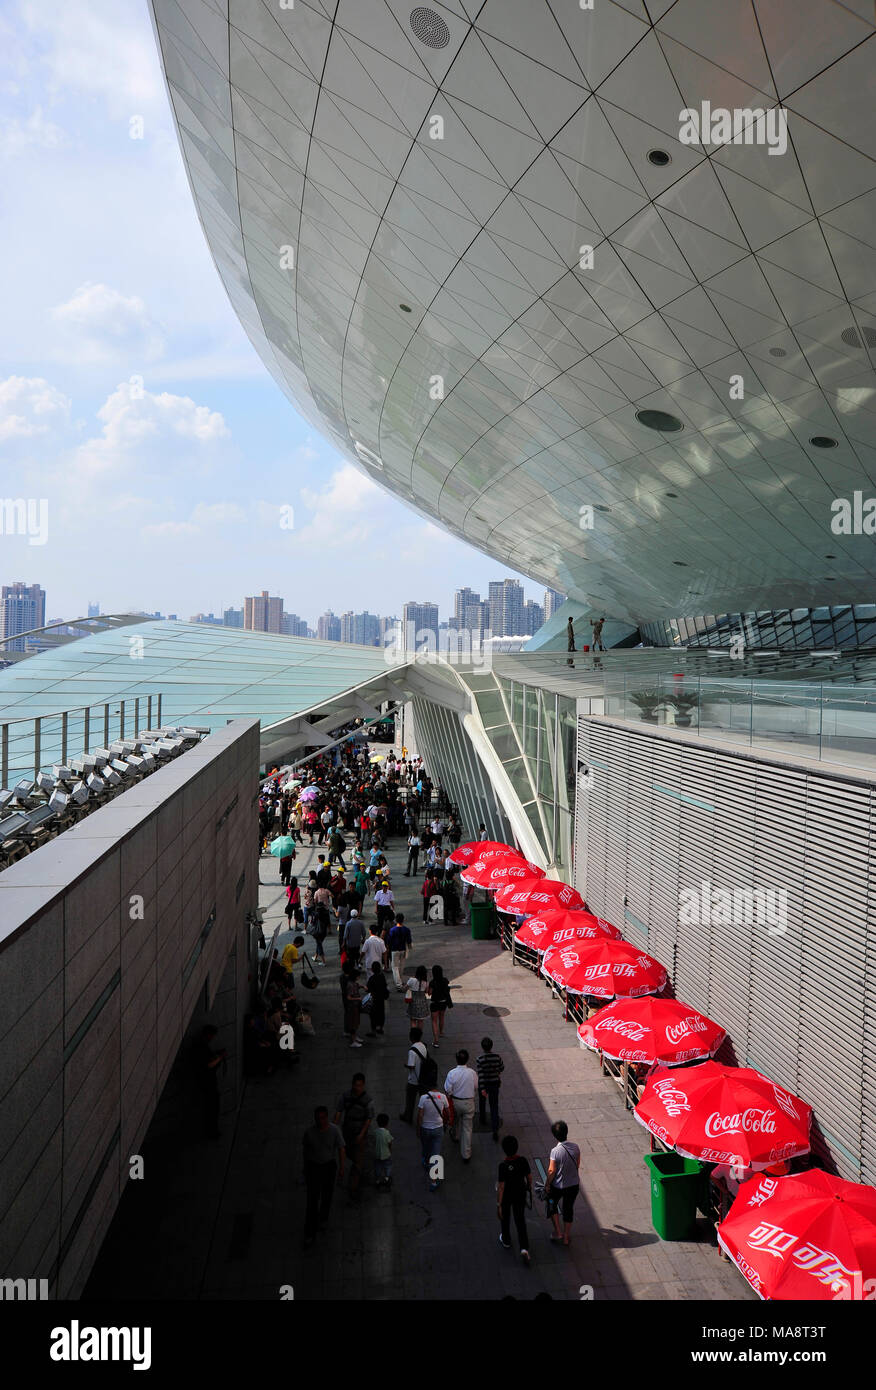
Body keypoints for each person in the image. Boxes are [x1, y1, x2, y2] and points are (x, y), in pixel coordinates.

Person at [302, 1106, 345, 1248]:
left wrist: (341, 1168)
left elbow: (341, 1148)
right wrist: (305, 1168)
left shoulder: (334, 1130)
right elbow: (306, 1150)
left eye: (322, 1118)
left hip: (328, 1167)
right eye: (317, 1118)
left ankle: (323, 1219)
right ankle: (310, 1232)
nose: (320, 1121)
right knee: (311, 1201)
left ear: (326, 1117)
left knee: (327, 1195)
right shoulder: (309, 1133)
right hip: (314, 1168)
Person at [333, 1073, 375, 1202]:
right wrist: (334, 1129)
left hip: (359, 1135)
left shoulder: (368, 1100)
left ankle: (353, 1187)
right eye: (356, 1085)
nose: (358, 1088)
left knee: (358, 1160)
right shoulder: (345, 1096)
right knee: (349, 1154)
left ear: (363, 1085)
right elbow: (339, 1112)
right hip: (346, 1132)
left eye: (360, 1085)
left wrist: (362, 1134)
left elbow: (368, 1119)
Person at [496, 1136, 532, 1264]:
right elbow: (529, 1177)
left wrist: (499, 1204)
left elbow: (501, 1186)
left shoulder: (502, 1166)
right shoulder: (522, 1161)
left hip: (507, 1196)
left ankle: (506, 1239)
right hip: (520, 1193)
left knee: (505, 1218)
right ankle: (524, 1248)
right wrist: (528, 1186)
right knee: (520, 1219)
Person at [546, 1120, 581, 1246]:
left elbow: (551, 1171)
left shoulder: (555, 1151)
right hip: (573, 1185)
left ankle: (558, 1232)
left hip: (558, 1186)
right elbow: (577, 1165)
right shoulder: (576, 1147)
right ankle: (566, 1237)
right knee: (568, 1209)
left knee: (551, 1204)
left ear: (555, 1136)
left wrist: (547, 1184)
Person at [444, 1048, 478, 1163]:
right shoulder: (472, 1073)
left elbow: (448, 1090)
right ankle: (466, 1154)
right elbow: (476, 1087)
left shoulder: (452, 1073)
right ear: (467, 1059)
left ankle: (456, 1135)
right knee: (467, 1128)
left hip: (456, 1102)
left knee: (455, 1120)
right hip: (469, 1103)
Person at [194, 1024, 226, 1138]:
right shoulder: (202, 1047)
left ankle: (210, 1130)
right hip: (207, 1082)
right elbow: (208, 1065)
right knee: (212, 1107)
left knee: (209, 1107)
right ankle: (212, 1131)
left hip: (204, 1081)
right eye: (212, 1035)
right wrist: (219, 1058)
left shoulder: (200, 1045)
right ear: (208, 1034)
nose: (213, 1038)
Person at [416, 1085, 449, 1192]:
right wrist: (446, 1122)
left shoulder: (423, 1098)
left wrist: (419, 1128)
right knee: (436, 1154)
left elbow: (420, 1115)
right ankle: (434, 1181)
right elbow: (447, 1113)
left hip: (425, 1128)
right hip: (438, 1129)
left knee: (426, 1146)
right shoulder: (443, 1097)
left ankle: (425, 1161)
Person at [477, 1036, 504, 1139]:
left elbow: (481, 1075)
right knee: (494, 1105)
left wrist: (483, 1088)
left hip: (484, 1084)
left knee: (482, 1102)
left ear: (482, 1047)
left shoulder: (480, 1059)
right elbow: (502, 1067)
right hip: (494, 1084)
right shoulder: (497, 1057)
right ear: (491, 1046)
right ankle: (495, 1127)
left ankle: (482, 1119)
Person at [400, 1027, 428, 1123]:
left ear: (411, 1037)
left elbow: (411, 1066)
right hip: (422, 1078)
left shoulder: (412, 1051)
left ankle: (408, 1116)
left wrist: (405, 1064)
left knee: (410, 1100)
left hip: (413, 1079)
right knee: (423, 1099)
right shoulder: (423, 1046)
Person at [340, 961, 364, 1047]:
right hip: (351, 1004)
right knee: (352, 1021)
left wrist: (360, 986)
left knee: (353, 1020)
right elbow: (349, 996)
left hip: (351, 1003)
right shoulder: (349, 982)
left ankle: (353, 1035)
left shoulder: (344, 977)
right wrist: (358, 998)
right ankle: (352, 1037)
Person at [428, 964, 452, 1048]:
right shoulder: (445, 980)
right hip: (443, 1002)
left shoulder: (432, 982)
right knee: (441, 1017)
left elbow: (429, 993)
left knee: (434, 1021)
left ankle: (436, 1041)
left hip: (435, 1003)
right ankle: (441, 1032)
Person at [387, 913, 412, 990]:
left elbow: (389, 941)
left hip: (394, 950)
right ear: (403, 920)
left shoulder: (392, 930)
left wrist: (387, 949)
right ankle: (400, 980)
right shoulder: (407, 930)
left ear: (395, 920)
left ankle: (399, 984)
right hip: (403, 950)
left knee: (395, 967)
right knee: (401, 966)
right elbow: (409, 941)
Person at [365, 960, 388, 1036]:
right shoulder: (382, 976)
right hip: (381, 999)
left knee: (373, 1015)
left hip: (374, 999)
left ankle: (373, 1030)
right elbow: (385, 986)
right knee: (381, 1013)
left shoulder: (371, 978)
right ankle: (380, 1028)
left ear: (372, 969)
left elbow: (368, 989)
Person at [374, 1113, 393, 1190]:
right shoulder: (387, 1133)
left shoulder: (375, 1132)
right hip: (386, 1154)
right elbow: (390, 1143)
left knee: (378, 1167)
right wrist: (390, 1150)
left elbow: (373, 1141)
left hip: (377, 1154)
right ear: (387, 1123)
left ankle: (378, 1180)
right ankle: (387, 1178)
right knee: (387, 1166)